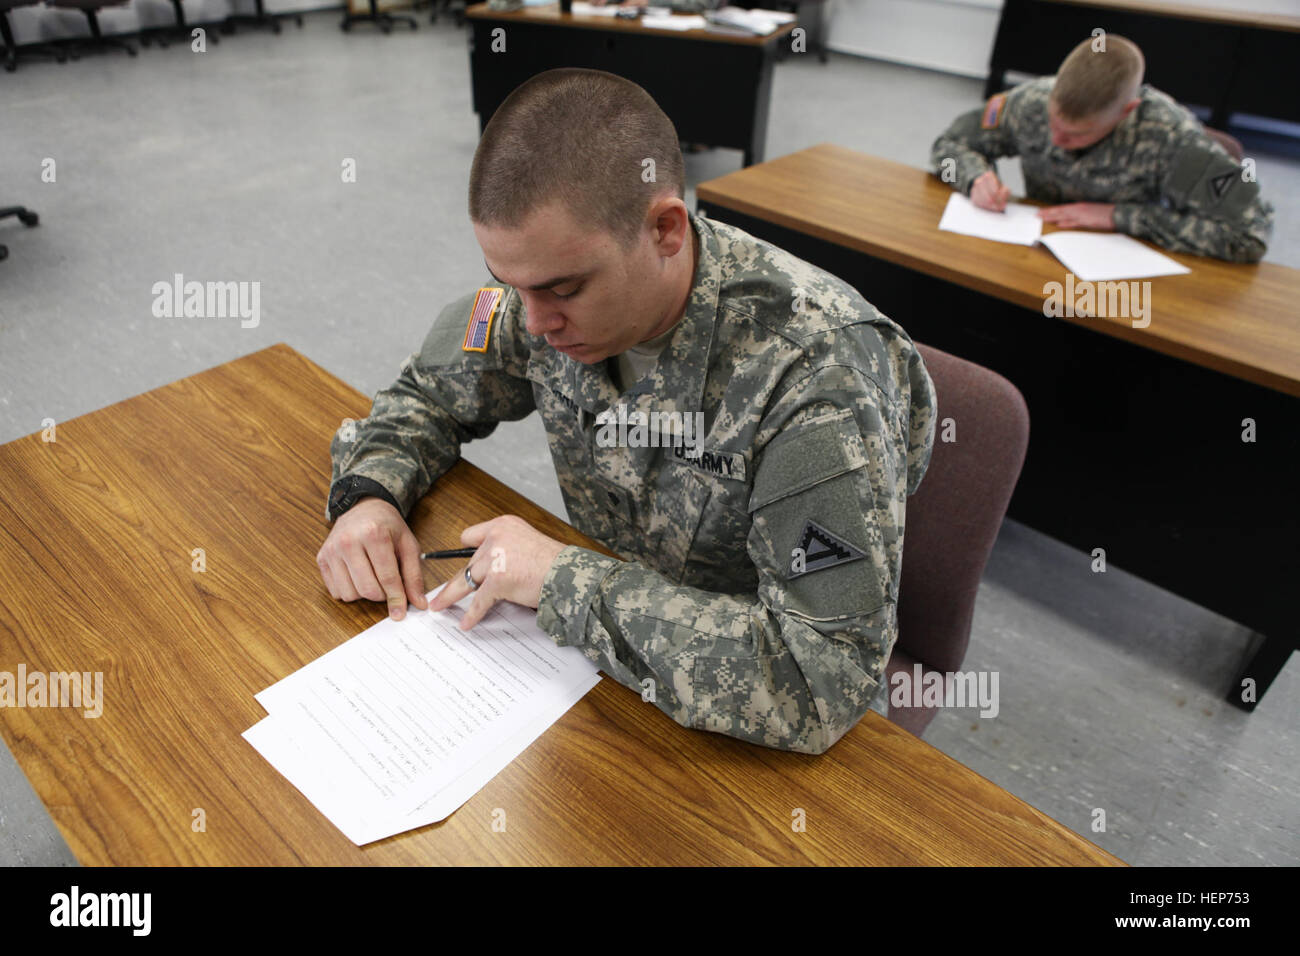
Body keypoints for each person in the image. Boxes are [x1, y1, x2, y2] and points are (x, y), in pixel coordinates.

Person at [318, 68, 935, 755]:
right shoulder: (542, 295)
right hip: (594, 689)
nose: (536, 321)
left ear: (666, 229)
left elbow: (822, 675)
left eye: (562, 289)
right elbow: (427, 391)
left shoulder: (814, 373)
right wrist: (367, 496)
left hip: (737, 746)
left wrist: (562, 580)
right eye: (509, 286)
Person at [930, 34, 1273, 263]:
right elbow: (948, 144)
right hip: (1034, 258)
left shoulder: (1170, 137)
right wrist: (975, 178)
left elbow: (1250, 234)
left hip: (1125, 283)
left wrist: (1118, 217)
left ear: (1126, 111)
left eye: (1078, 134)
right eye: (1053, 124)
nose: (1057, 140)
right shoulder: (1030, 101)